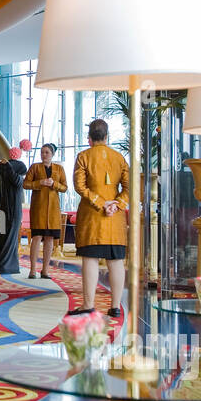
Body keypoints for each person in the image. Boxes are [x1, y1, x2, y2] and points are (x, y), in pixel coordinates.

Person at [73, 118, 128, 317]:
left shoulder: (83, 156)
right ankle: (115, 306)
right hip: (114, 219)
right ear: (107, 136)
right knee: (116, 260)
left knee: (90, 258)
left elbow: (80, 186)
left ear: (90, 137)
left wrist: (100, 202)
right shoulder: (119, 158)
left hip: (92, 216)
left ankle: (88, 304)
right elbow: (129, 188)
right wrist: (117, 204)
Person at [24, 142, 68, 279]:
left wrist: (54, 184)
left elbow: (65, 187)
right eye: (42, 152)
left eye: (47, 152)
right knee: (36, 237)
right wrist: (39, 183)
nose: (44, 154)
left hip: (53, 209)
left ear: (52, 154)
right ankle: (32, 270)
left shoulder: (59, 169)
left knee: (49, 239)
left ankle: (45, 270)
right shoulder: (35, 167)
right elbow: (25, 184)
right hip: (38, 208)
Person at [0, 148, 27, 275]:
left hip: (4, 209)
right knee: (10, 235)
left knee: (2, 234)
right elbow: (17, 181)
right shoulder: (16, 178)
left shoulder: (4, 173)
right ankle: (7, 265)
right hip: (14, 209)